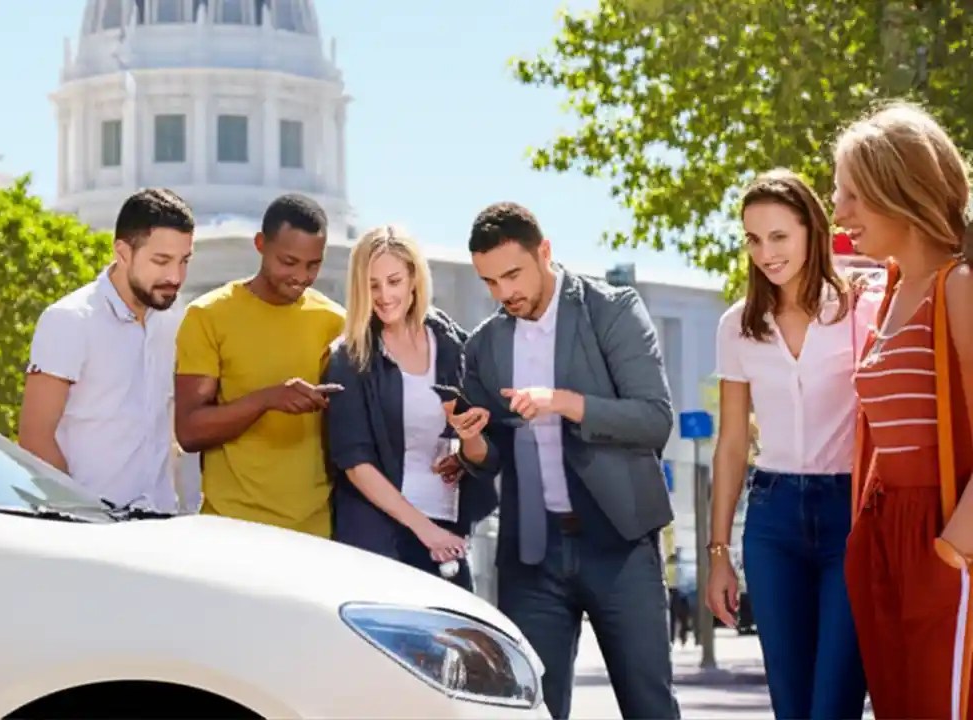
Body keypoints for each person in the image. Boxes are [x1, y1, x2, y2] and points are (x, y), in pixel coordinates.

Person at [457, 201, 679, 719]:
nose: (504, 293)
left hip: (621, 544)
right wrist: (469, 442)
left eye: (512, 274)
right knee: (531, 709)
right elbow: (489, 461)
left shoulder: (612, 310)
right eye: (490, 282)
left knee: (649, 707)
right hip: (533, 556)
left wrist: (562, 402)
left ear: (545, 252)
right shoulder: (485, 345)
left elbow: (653, 420)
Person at [705, 169, 872, 719]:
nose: (766, 253)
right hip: (773, 519)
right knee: (791, 705)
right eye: (754, 239)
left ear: (811, 231)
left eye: (779, 236)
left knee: (834, 703)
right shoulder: (738, 326)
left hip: (849, 513)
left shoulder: (860, 308)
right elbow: (732, 443)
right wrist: (719, 555)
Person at [833, 101, 973, 719]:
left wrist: (952, 552)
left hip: (939, 532)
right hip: (881, 535)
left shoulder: (959, 286)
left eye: (854, 196)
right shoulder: (886, 293)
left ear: (901, 189)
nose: (840, 215)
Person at [322, 225, 498, 589]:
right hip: (379, 541)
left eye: (393, 281)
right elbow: (355, 464)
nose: (384, 296)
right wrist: (425, 530)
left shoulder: (453, 346)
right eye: (372, 285)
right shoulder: (349, 357)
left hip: (448, 534)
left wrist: (468, 444)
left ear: (414, 278)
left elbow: (484, 455)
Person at [174, 194, 345, 537]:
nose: (301, 276)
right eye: (289, 261)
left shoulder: (335, 322)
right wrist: (267, 400)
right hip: (231, 528)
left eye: (313, 265)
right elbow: (189, 431)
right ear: (260, 245)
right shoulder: (208, 316)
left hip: (315, 531)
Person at [17, 187, 195, 519]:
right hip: (91, 530)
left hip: (163, 524)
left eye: (184, 261)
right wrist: (84, 515)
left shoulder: (174, 317)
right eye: (161, 261)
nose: (175, 276)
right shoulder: (69, 320)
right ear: (123, 252)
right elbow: (34, 439)